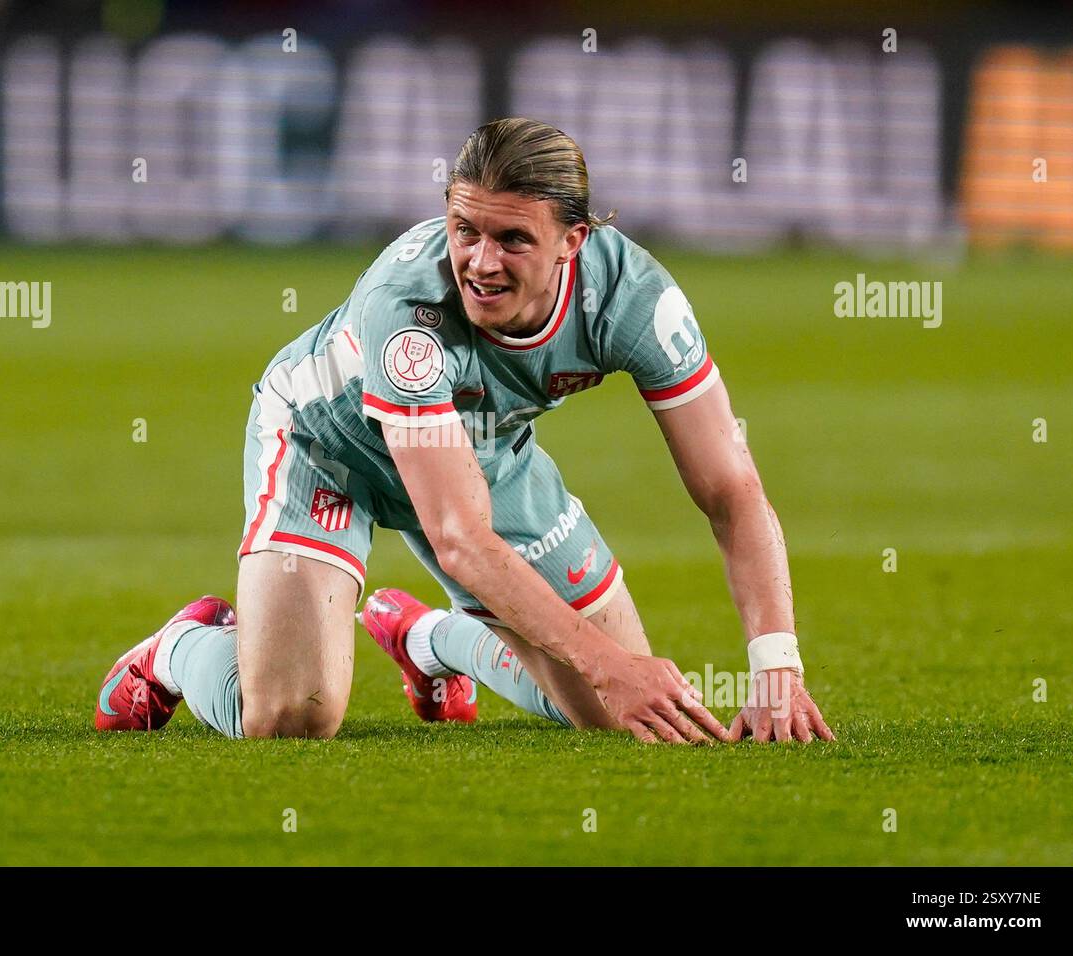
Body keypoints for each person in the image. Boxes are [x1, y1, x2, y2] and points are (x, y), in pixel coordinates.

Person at [94, 118, 833, 746]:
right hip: (329, 448)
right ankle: (178, 650)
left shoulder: (634, 301)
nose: (480, 262)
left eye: (512, 238)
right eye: (464, 230)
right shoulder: (407, 310)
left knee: (611, 718)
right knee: (292, 717)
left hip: (475, 448)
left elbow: (730, 489)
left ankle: (428, 640)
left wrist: (776, 667)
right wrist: (608, 665)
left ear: (572, 241)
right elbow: (459, 539)